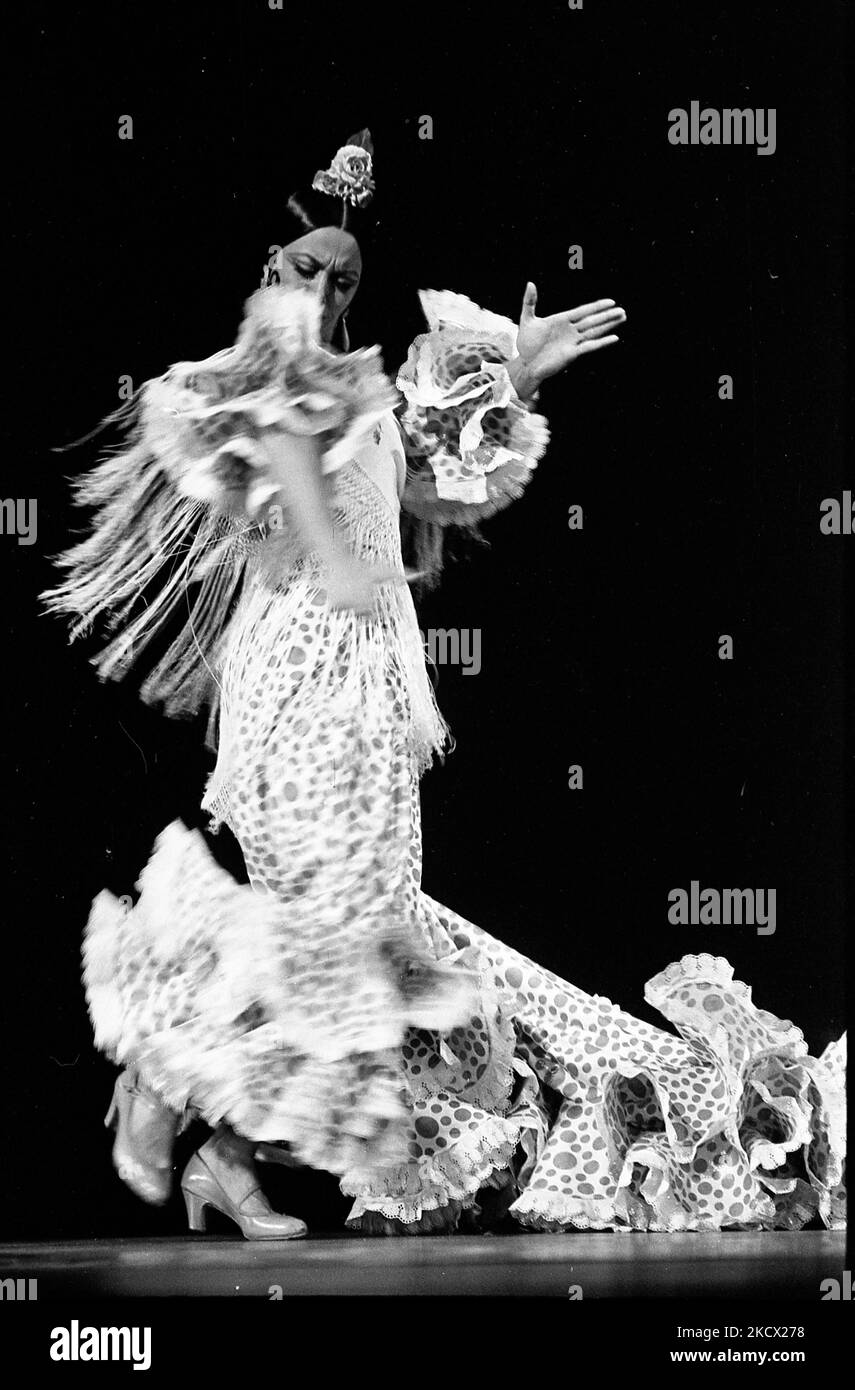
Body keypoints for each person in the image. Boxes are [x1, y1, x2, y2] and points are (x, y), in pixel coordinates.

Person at [44, 131, 846, 1239]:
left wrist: (508, 370)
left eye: (344, 276)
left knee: (376, 954)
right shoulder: (244, 390)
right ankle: (163, 1086)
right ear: (265, 272)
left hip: (373, 690)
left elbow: (429, 478)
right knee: (351, 937)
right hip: (299, 687)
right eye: (304, 267)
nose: (326, 288)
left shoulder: (358, 395)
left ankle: (221, 1156)